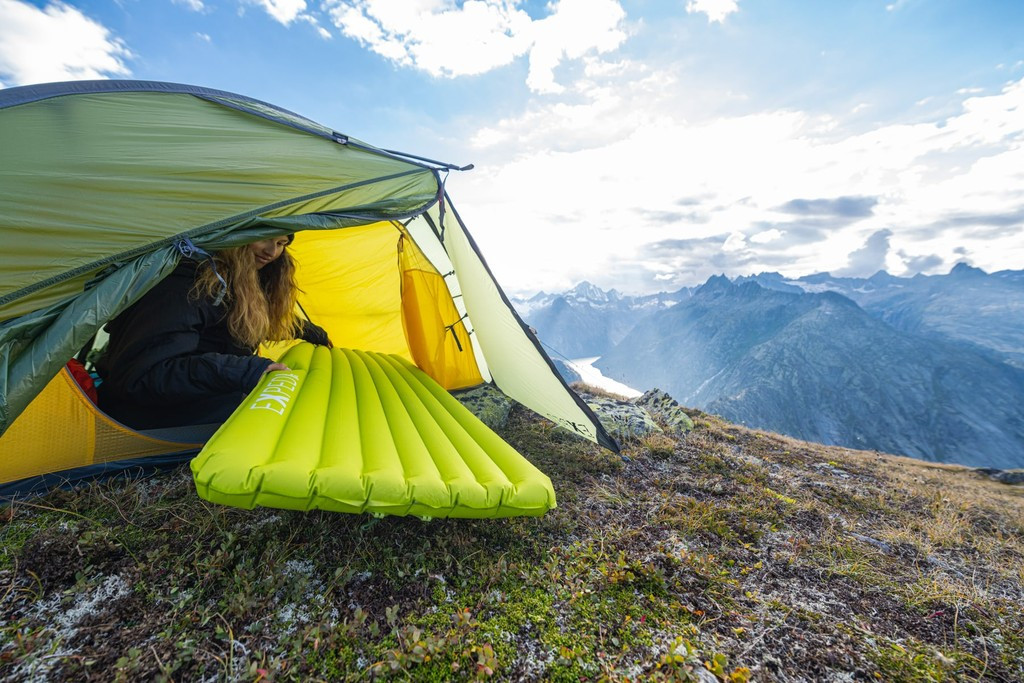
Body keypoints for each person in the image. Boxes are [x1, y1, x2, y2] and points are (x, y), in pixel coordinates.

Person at [95, 235, 331, 429]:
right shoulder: (185, 285)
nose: (271, 252)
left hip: (190, 401)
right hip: (141, 418)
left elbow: (230, 328)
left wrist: (307, 331)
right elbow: (145, 376)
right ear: (237, 234)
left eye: (281, 243)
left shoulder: (229, 279)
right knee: (283, 417)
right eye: (265, 237)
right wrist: (245, 370)